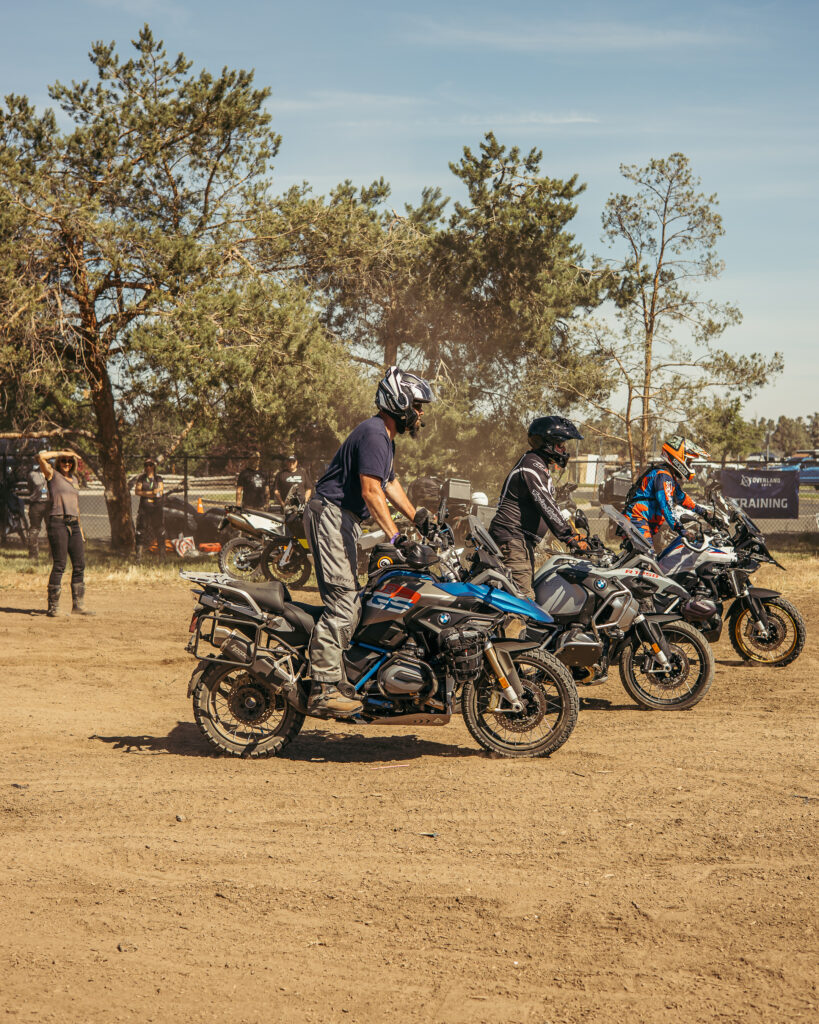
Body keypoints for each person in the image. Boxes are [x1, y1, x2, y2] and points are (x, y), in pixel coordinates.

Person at [303, 366, 435, 716]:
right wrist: (398, 537)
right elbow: (371, 490)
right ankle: (323, 689)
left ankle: (344, 676)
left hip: (342, 518)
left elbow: (389, 484)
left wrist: (419, 516)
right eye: (418, 406)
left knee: (357, 598)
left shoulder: (383, 436)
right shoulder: (376, 433)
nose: (421, 414)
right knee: (344, 602)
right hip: (331, 513)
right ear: (401, 401)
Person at [489, 416, 588, 600]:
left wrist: (574, 531)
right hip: (513, 540)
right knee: (524, 602)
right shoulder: (531, 465)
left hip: (520, 542)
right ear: (547, 444)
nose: (564, 450)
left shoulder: (537, 465)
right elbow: (546, 505)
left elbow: (550, 506)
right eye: (560, 445)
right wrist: (570, 537)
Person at [623, 435, 713, 541]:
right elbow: (666, 506)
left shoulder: (667, 475)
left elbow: (682, 498)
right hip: (637, 519)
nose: (690, 465)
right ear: (678, 458)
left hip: (641, 520)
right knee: (648, 554)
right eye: (688, 461)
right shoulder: (663, 476)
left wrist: (703, 512)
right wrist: (681, 530)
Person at [37, 448, 94, 617]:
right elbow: (40, 457)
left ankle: (78, 605)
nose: (67, 463)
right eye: (64, 460)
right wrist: (61, 452)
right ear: (59, 461)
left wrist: (81, 529)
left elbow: (75, 505)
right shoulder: (52, 475)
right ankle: (53, 607)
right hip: (58, 522)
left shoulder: (74, 479)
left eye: (70, 461)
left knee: (79, 564)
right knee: (60, 564)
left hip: (74, 524)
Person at [134, 457, 166, 560]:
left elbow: (160, 490)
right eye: (146, 465)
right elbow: (137, 491)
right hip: (144, 508)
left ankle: (162, 554)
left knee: (160, 530)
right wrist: (150, 493)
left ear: (154, 467)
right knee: (140, 531)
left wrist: (155, 493)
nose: (148, 467)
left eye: (150, 465)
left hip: (156, 508)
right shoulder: (142, 478)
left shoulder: (158, 478)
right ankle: (139, 555)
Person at [25, 458, 50, 559]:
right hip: (36, 504)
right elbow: (30, 488)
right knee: (34, 529)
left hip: (49, 505)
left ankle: (53, 555)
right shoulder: (32, 474)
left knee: (52, 529)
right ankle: (33, 554)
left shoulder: (52, 473)